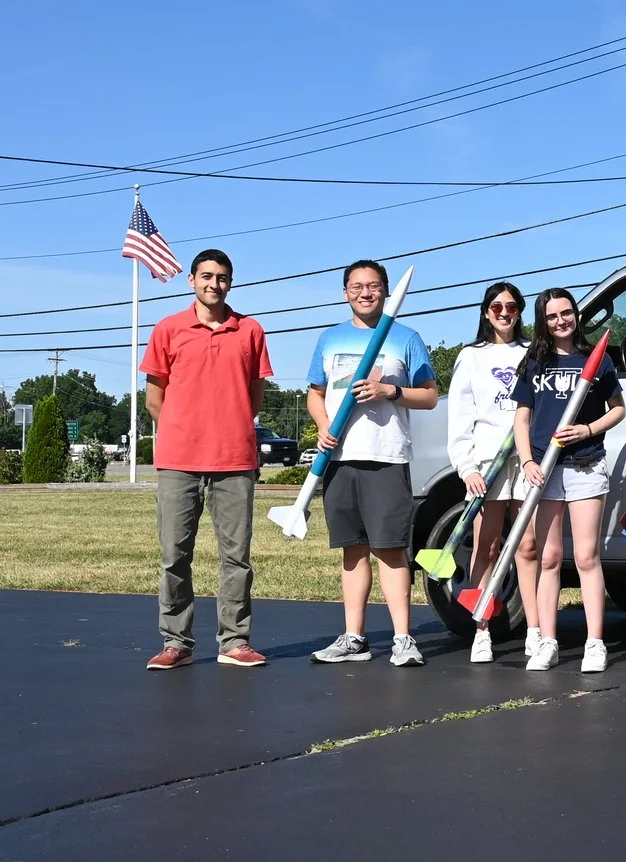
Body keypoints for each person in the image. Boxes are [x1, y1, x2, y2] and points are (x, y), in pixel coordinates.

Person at [141, 248, 274, 670]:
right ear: (192, 281)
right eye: (206, 276)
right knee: (174, 554)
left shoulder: (250, 331)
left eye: (221, 277)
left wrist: (227, 426)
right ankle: (176, 642)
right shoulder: (169, 329)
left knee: (236, 557)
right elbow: (154, 397)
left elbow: (255, 396)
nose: (213, 284)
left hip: (234, 460)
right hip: (178, 460)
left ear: (229, 283)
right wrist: (185, 429)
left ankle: (235, 642)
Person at [304, 261, 440, 667]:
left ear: (384, 291)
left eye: (374, 286)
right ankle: (354, 639)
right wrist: (323, 425)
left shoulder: (406, 338)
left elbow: (430, 395)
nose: (366, 293)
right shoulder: (329, 340)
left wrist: (390, 390)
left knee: (390, 548)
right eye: (357, 286)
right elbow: (315, 393)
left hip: (386, 456)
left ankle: (402, 638)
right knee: (352, 549)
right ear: (345, 291)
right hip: (340, 458)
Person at [512, 288, 626, 673]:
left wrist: (588, 429)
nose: (560, 320)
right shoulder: (534, 362)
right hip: (545, 469)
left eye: (566, 313)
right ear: (543, 322)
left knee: (585, 556)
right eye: (552, 316)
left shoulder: (598, 360)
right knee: (548, 558)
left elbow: (619, 410)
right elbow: (522, 419)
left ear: (576, 315)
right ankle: (547, 641)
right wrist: (527, 460)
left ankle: (595, 643)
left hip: (585, 466)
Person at [445, 281, 527, 664]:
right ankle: (481, 628)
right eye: (497, 307)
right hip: (486, 465)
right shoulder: (471, 356)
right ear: (485, 312)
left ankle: (537, 631)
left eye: (512, 307)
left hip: (526, 460)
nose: (505, 313)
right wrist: (466, 467)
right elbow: (459, 418)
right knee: (486, 546)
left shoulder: (532, 353)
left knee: (527, 547)